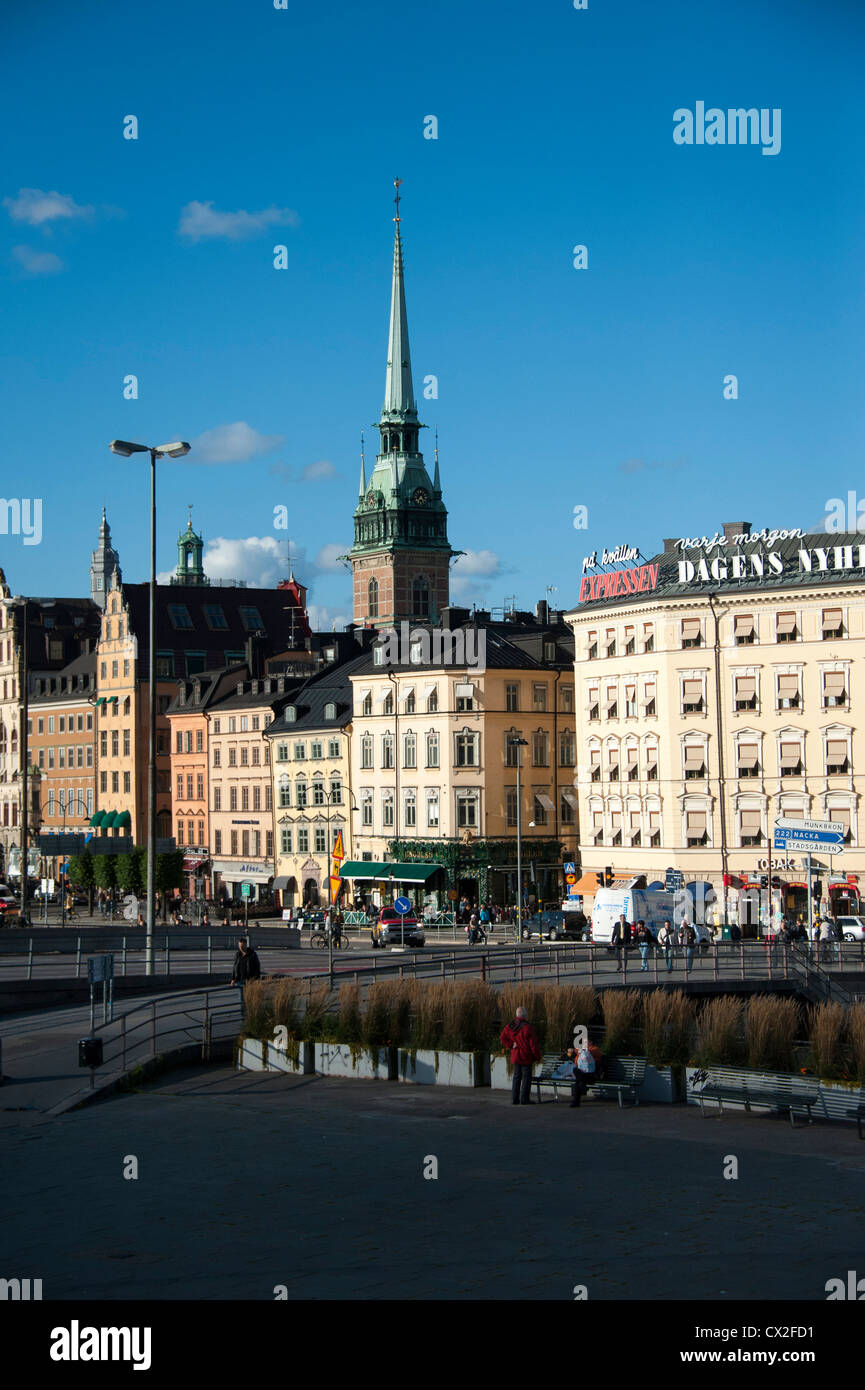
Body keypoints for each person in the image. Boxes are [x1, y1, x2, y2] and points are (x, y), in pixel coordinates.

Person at [500, 1006, 542, 1106]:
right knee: (526, 1079)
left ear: (516, 1014)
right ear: (525, 1015)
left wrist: (511, 1045)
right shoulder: (528, 1027)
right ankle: (524, 1099)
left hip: (515, 1055)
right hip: (526, 1056)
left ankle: (515, 1099)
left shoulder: (510, 1025)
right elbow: (533, 1045)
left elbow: (502, 1037)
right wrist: (537, 1057)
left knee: (516, 1077)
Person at [230, 938, 261, 1013]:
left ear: (246, 945)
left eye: (242, 946)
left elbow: (257, 967)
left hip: (249, 980)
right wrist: (233, 979)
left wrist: (256, 978)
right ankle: (243, 1014)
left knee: (250, 998)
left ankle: (250, 1013)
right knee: (242, 999)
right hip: (239, 980)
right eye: (239, 946)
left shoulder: (252, 954)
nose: (241, 948)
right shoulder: (238, 954)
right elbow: (235, 967)